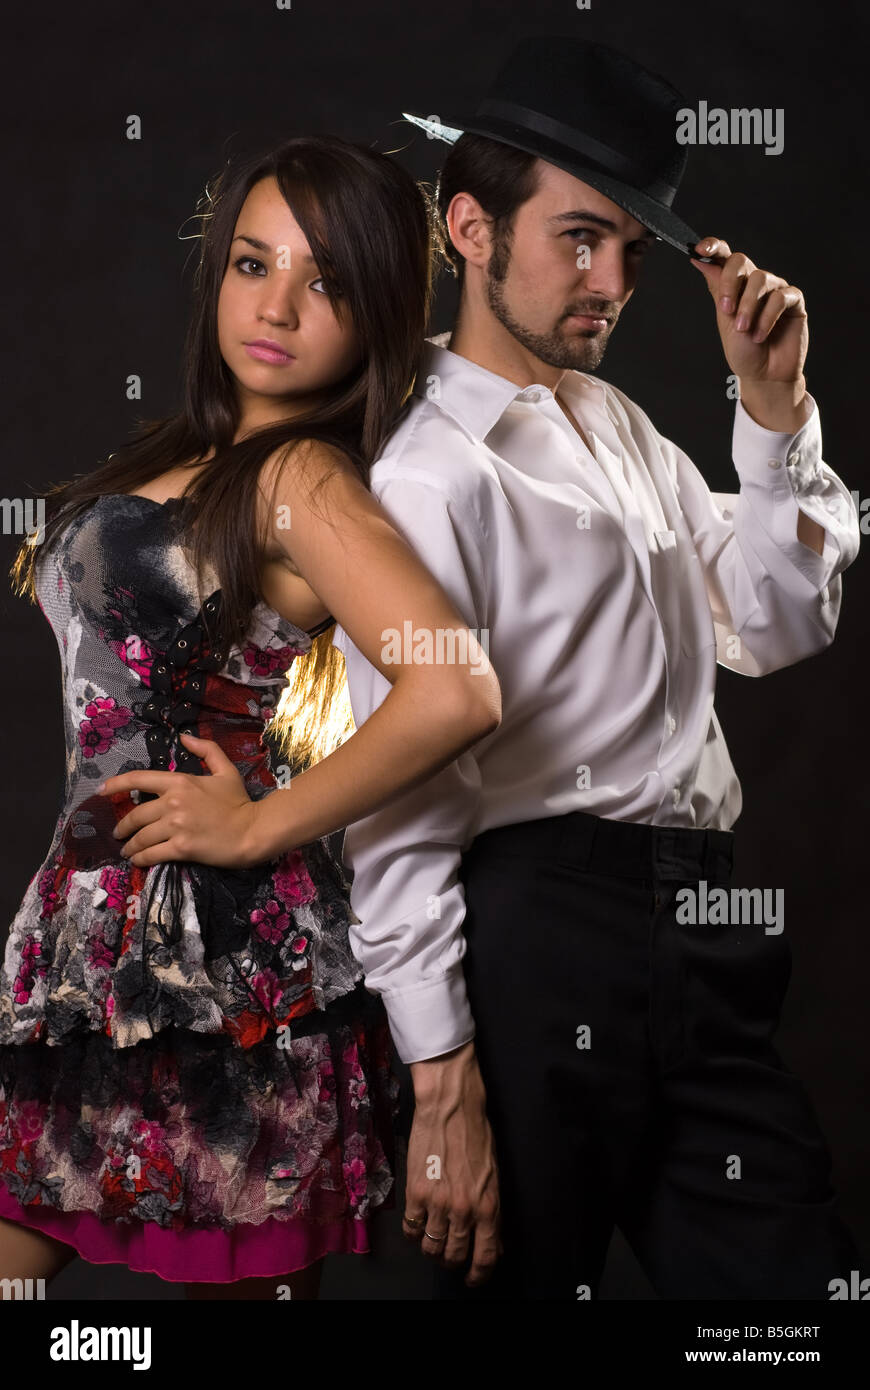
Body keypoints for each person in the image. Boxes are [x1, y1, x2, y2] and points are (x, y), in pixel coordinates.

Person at [330, 38, 862, 1298]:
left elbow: (779, 624)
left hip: (701, 943)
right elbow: (393, 807)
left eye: (631, 245)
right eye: (579, 237)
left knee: (793, 1297)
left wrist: (774, 416)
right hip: (530, 940)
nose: (611, 280)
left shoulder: (618, 427)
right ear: (470, 227)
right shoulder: (427, 476)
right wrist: (439, 1071)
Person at [0, 134, 500, 1301]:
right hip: (87, 965)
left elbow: (457, 683)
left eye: (323, 282)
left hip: (225, 980)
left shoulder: (301, 479)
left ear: (377, 307)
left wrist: (256, 827)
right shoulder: (186, 452)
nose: (275, 306)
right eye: (250, 263)